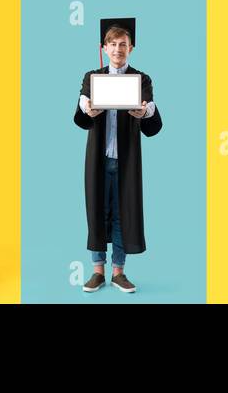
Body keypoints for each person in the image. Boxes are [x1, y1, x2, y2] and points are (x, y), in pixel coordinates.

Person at [73, 17, 163, 294]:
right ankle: (97, 270)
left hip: (126, 159)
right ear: (104, 47)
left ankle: (119, 272)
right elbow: (81, 113)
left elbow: (150, 115)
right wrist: (85, 106)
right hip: (98, 158)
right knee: (98, 210)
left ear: (131, 47)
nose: (117, 49)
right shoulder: (92, 77)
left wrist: (144, 111)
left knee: (124, 212)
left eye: (123, 44)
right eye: (112, 44)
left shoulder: (141, 78)